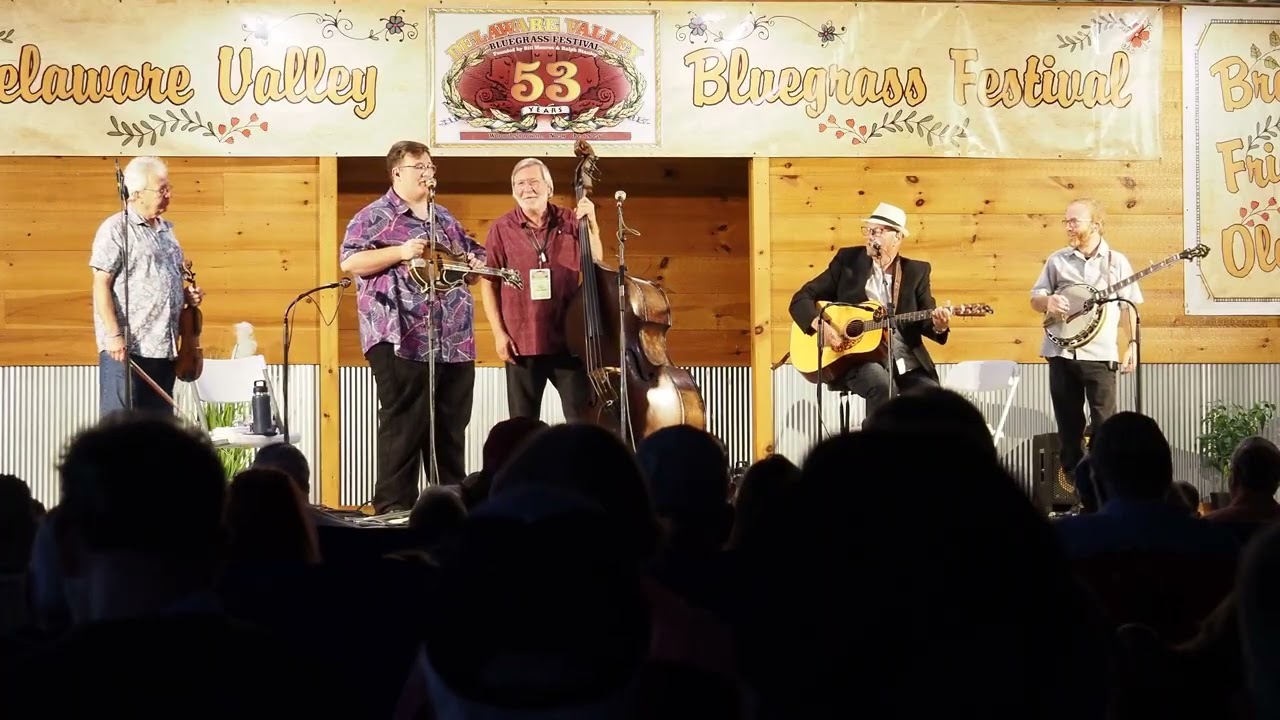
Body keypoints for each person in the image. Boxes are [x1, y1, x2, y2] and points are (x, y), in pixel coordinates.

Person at [340, 140, 487, 515]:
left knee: (450, 427)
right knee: (405, 424)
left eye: (430, 167)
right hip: (400, 335)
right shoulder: (375, 215)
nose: (427, 174)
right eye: (419, 167)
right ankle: (394, 509)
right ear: (397, 173)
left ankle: (449, 507)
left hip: (453, 340)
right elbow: (350, 261)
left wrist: (473, 263)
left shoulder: (445, 218)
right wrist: (400, 251)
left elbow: (473, 259)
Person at [788, 202, 952, 418]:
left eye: (877, 232)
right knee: (883, 387)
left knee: (934, 398)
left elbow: (926, 319)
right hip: (859, 359)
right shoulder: (848, 262)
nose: (869, 237)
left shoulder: (916, 272)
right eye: (868, 231)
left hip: (905, 362)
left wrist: (939, 326)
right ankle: (874, 438)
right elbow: (801, 298)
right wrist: (821, 326)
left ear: (897, 237)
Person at [479, 157, 602, 422]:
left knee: (582, 422)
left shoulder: (571, 220)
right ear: (514, 191)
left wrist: (592, 223)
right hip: (521, 343)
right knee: (523, 426)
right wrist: (499, 334)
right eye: (520, 184)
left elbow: (595, 262)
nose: (527, 189)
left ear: (549, 188)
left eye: (534, 182)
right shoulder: (501, 228)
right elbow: (488, 282)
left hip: (568, 339)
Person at [1031, 197, 1141, 486]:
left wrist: (1132, 344)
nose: (1068, 226)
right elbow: (1035, 299)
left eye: (1074, 221)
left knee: (1105, 428)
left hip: (1100, 355)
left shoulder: (1117, 262)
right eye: (1066, 221)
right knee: (1069, 431)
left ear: (1096, 225)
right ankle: (1080, 493)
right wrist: (1048, 301)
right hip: (1061, 354)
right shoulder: (1057, 260)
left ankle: (1106, 491)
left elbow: (1129, 307)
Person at [90, 156, 202, 416]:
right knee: (122, 429)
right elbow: (101, 283)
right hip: (128, 349)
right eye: (162, 189)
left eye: (168, 188)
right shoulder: (116, 229)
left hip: (164, 347)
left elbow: (163, 279)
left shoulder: (166, 231)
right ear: (137, 194)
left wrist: (186, 295)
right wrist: (113, 335)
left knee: (158, 430)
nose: (168, 194)